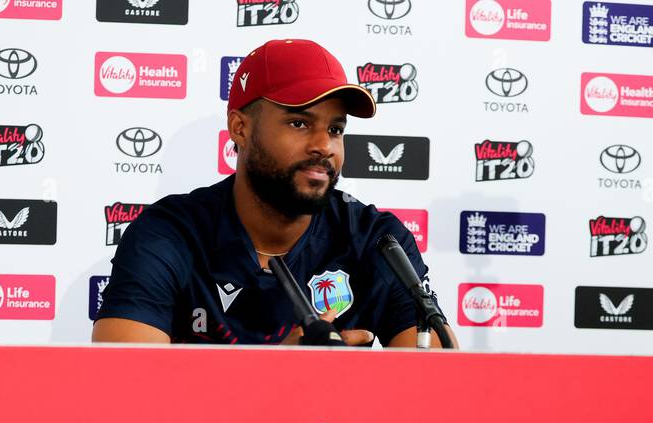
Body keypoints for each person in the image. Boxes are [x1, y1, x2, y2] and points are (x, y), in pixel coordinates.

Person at [92, 38, 452, 348]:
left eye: (336, 129)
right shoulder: (168, 235)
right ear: (239, 128)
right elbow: (124, 389)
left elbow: (440, 393)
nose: (324, 145)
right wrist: (277, 375)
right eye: (299, 123)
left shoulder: (377, 242)